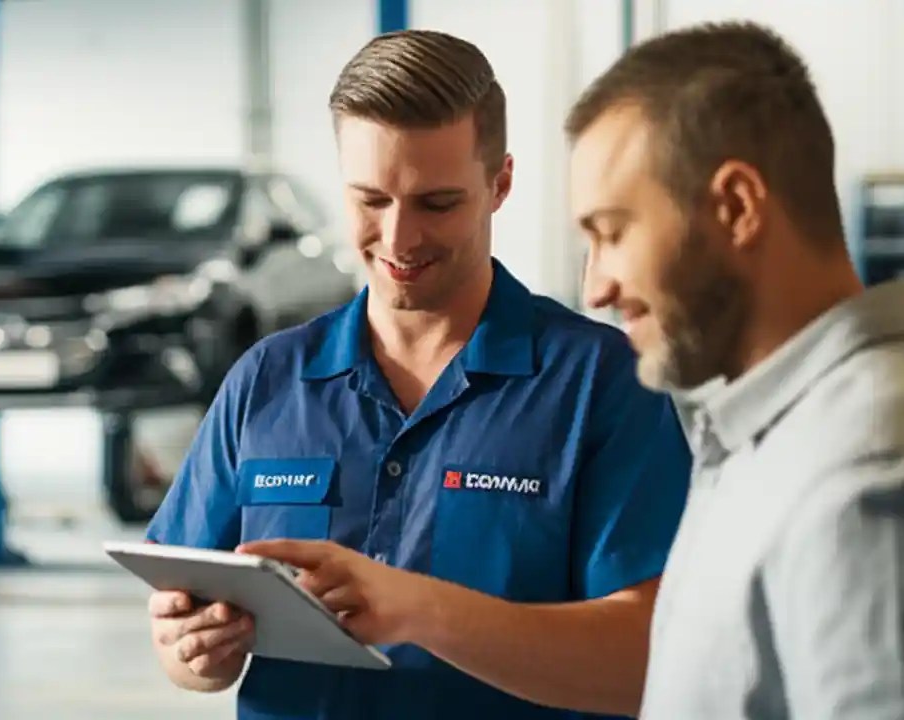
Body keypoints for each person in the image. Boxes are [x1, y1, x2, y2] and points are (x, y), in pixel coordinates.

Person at [143, 29, 692, 719]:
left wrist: (420, 610)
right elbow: (183, 629)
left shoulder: (600, 385)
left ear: (500, 184)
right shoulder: (267, 380)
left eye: (437, 203)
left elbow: (645, 661)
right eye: (371, 200)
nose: (399, 239)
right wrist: (195, 652)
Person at [565, 21, 904, 718]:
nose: (594, 289)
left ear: (736, 208)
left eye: (613, 232)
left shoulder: (859, 473)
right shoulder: (763, 433)